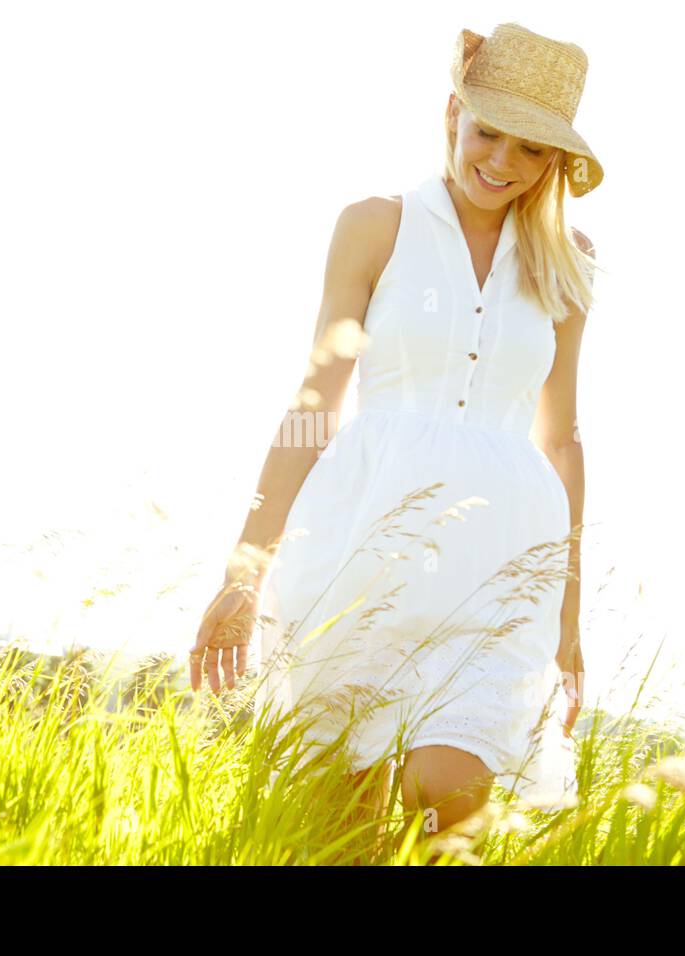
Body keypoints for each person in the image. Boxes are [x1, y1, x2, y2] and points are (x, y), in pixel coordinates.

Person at [190, 22, 602, 849]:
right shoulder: (377, 224)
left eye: (531, 149)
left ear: (554, 161)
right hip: (361, 540)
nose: (503, 163)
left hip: (501, 562)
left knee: (451, 789)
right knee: (331, 826)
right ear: (452, 112)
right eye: (489, 132)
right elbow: (315, 400)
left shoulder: (569, 260)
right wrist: (246, 570)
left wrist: (567, 617)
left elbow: (562, 439)